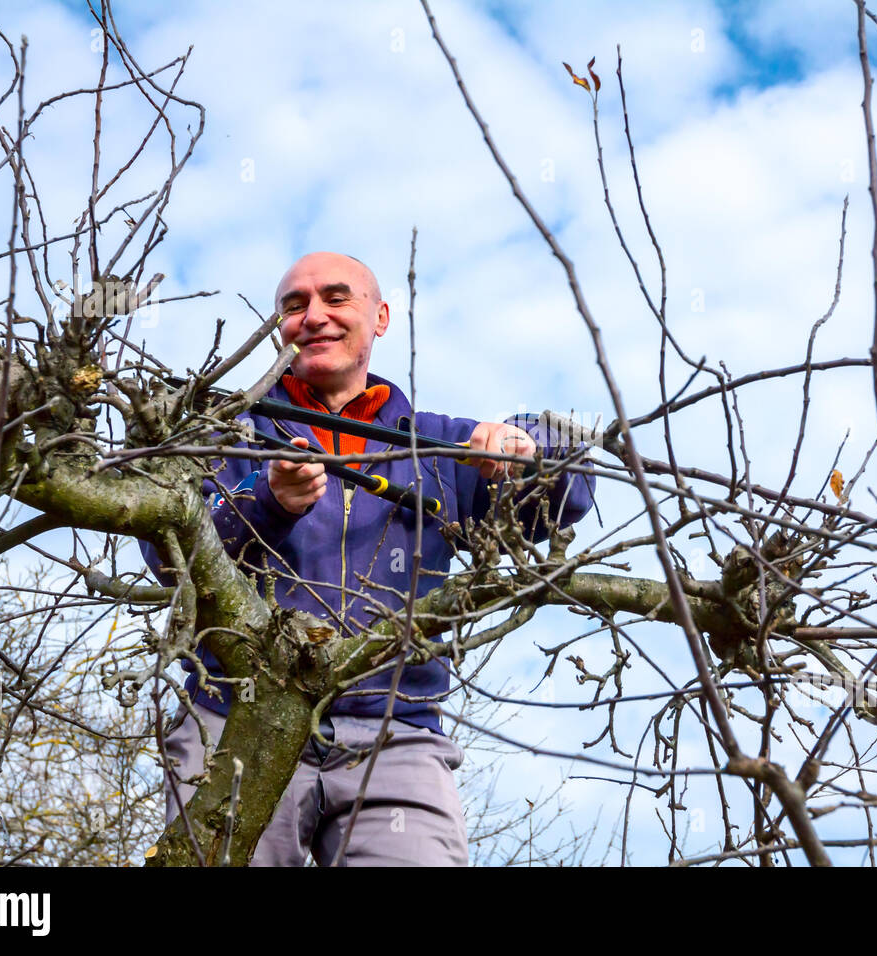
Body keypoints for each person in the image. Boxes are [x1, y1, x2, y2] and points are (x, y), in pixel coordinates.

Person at [141, 252, 596, 865]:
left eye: (336, 298)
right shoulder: (227, 434)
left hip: (396, 738)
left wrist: (525, 443)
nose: (314, 317)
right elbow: (170, 557)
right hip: (234, 722)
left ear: (381, 317)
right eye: (294, 305)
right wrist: (267, 503)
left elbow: (571, 492)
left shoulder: (438, 446)